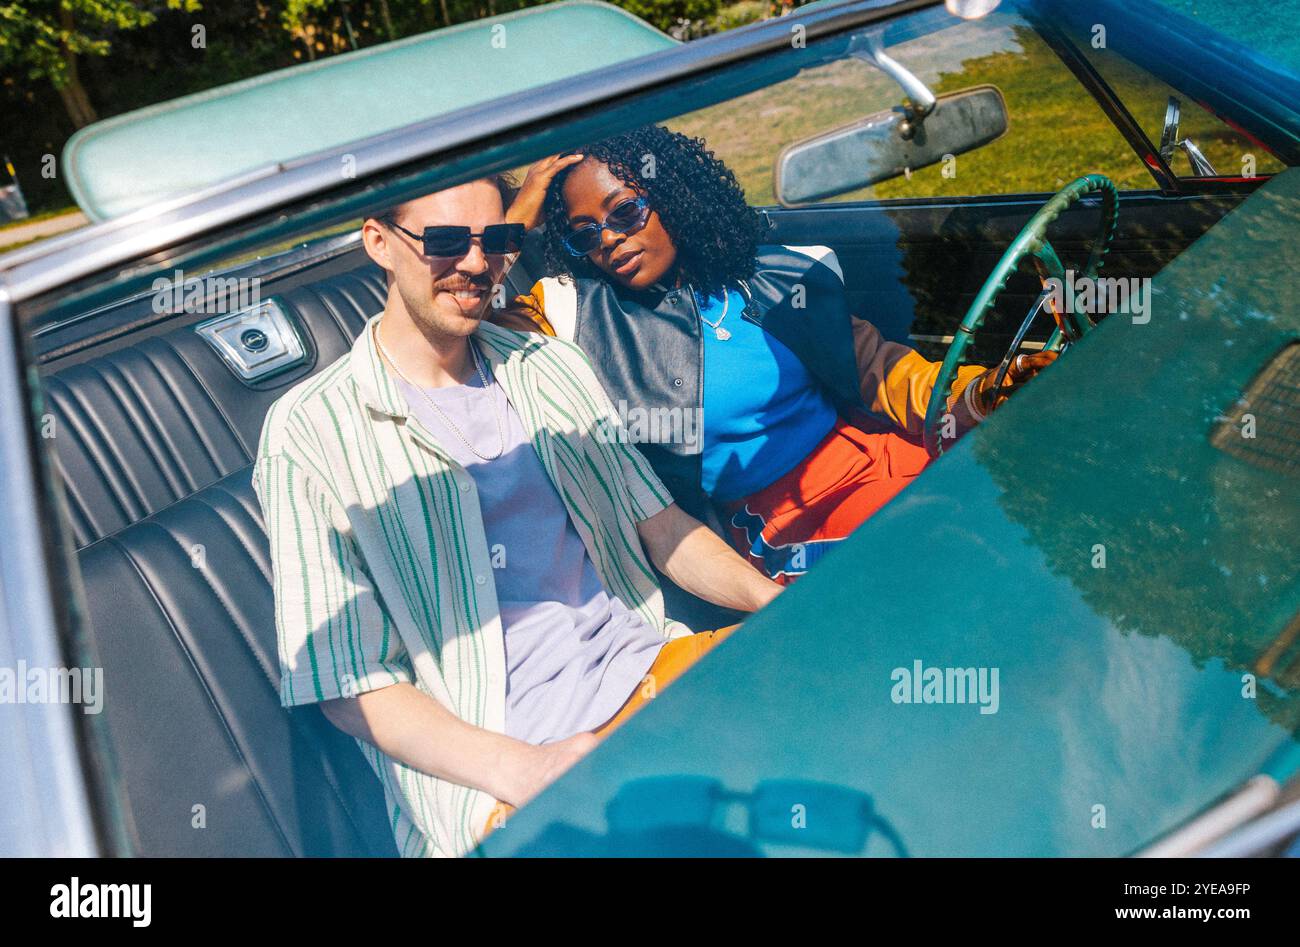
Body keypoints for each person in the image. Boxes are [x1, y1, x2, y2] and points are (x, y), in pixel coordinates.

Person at [253, 174, 781, 858]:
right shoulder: (309, 431)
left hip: (654, 667)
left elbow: (660, 524)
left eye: (496, 240)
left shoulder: (549, 364)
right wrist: (526, 769)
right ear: (379, 242)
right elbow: (347, 679)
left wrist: (777, 602)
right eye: (445, 241)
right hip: (500, 776)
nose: (477, 263)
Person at [499, 127, 1054, 583]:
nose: (609, 240)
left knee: (1027, 502)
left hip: (883, 456)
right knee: (953, 542)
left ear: (670, 197)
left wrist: (984, 391)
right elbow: (457, 317)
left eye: (624, 213)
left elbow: (885, 374)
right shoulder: (569, 314)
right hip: (788, 519)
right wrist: (517, 220)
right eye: (583, 235)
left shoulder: (768, 276)